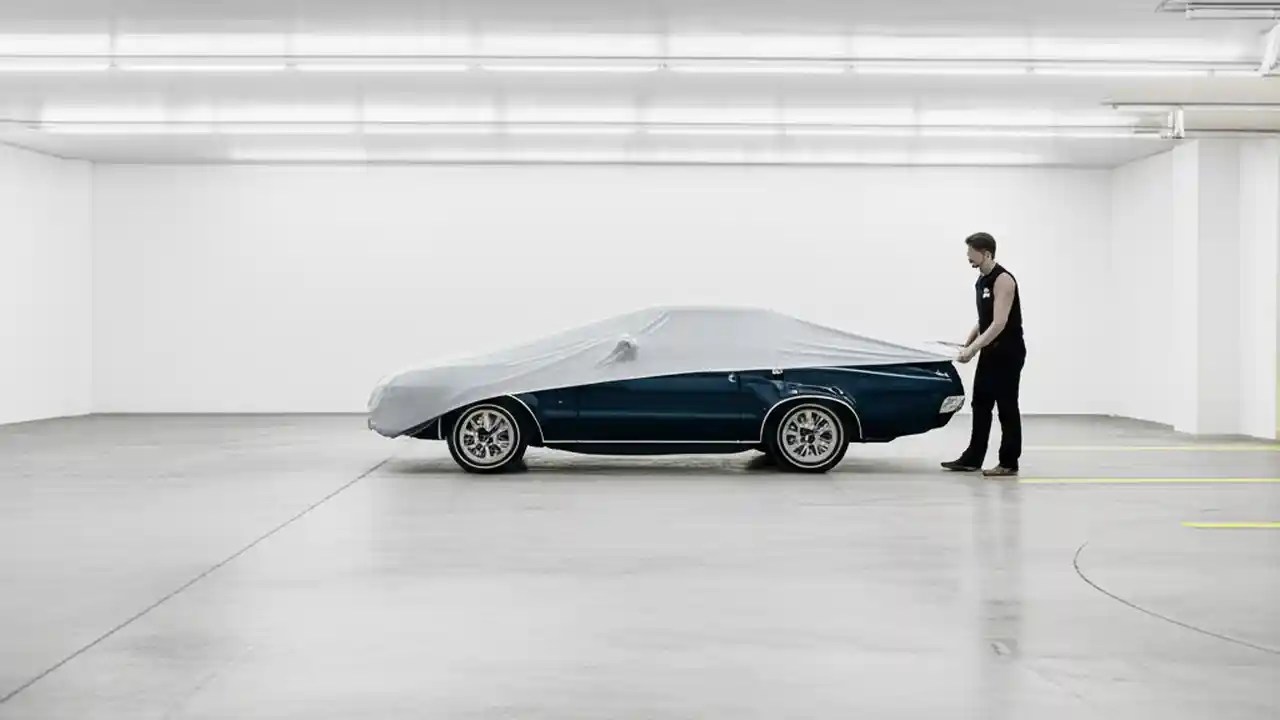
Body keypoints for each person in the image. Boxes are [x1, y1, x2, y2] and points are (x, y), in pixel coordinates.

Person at [942, 232, 1025, 477]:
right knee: (980, 403)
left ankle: (1009, 462)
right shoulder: (981, 280)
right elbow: (984, 320)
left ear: (986, 253)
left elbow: (999, 323)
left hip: (1008, 353)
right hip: (990, 352)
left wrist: (973, 349)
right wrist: (966, 344)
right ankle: (972, 458)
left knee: (1007, 407)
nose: (968, 257)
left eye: (971, 252)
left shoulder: (1003, 280)